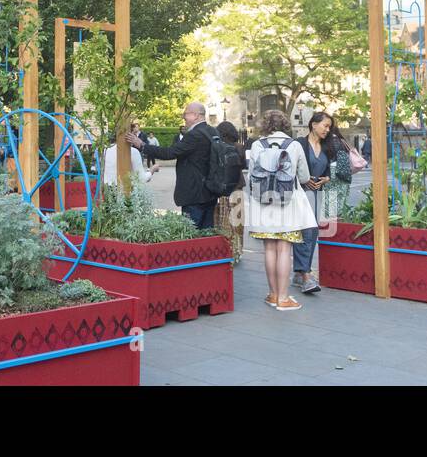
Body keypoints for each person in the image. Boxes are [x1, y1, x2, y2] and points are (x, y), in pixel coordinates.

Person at [246, 109, 317, 312]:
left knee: (269, 249)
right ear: (286, 125)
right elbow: (304, 177)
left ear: (266, 126)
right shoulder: (294, 145)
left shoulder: (258, 145)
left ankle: (273, 294)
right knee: (284, 249)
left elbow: (252, 174)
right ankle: (284, 298)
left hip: (263, 202)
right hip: (288, 203)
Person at [125, 101, 219, 230]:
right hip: (210, 192)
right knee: (206, 236)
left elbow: (169, 153)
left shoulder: (194, 135)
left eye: (185, 114)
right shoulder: (212, 131)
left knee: (191, 237)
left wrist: (142, 145)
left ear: (195, 115)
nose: (183, 117)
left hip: (194, 195)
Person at [293, 111, 346, 294]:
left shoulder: (327, 146)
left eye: (329, 126)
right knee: (307, 231)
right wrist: (303, 178)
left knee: (311, 233)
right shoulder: (299, 144)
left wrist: (326, 179)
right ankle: (306, 275)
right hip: (301, 194)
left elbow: (333, 171)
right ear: (313, 125)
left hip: (318, 193)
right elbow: (289, 168)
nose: (327, 129)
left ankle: (300, 273)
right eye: (325, 125)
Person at [214, 121, 246, 265]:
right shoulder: (239, 147)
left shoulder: (219, 146)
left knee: (224, 220)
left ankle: (226, 249)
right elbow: (243, 165)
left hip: (224, 187)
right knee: (238, 221)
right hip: (238, 186)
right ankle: (238, 250)